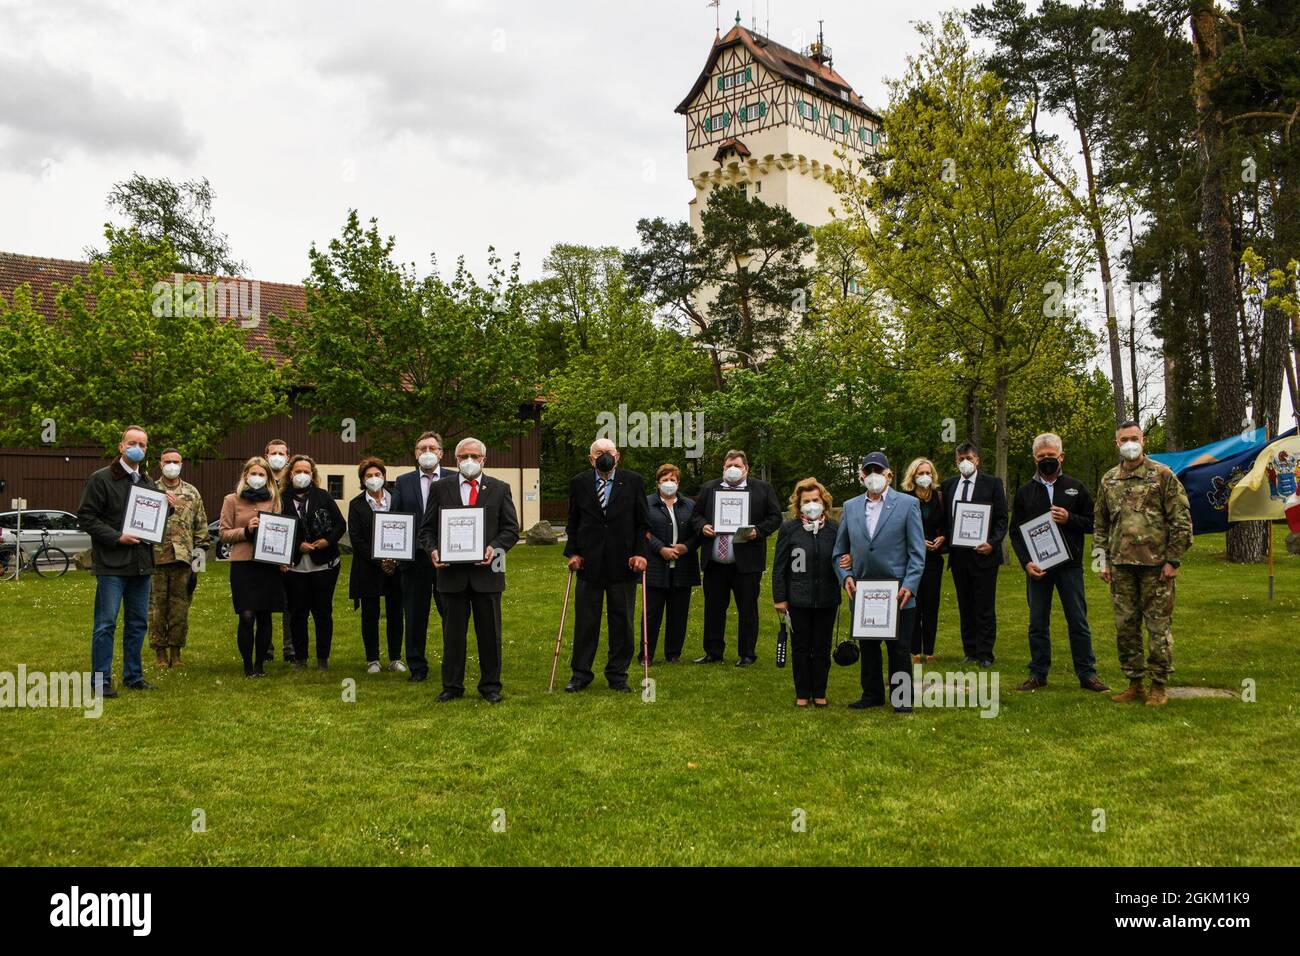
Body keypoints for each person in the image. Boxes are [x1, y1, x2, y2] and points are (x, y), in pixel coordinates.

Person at [1094, 420, 1193, 708]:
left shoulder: (1162, 476)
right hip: (1120, 566)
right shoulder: (1109, 480)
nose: (1129, 444)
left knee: (1158, 627)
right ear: (1117, 443)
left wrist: (1173, 559)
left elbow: (1181, 520)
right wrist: (1102, 561)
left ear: (1144, 440)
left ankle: (1159, 685)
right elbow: (1100, 523)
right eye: (1124, 439)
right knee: (1126, 627)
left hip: (1156, 567)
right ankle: (1135, 683)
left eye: (1134, 438)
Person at [420, 437, 519, 703]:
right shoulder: (441, 488)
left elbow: (511, 529)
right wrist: (432, 550)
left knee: (490, 634)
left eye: (474, 456)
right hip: (451, 575)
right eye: (464, 456)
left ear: (484, 459)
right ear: (455, 460)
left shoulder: (499, 488)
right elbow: (426, 530)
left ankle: (490, 686)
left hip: (488, 575)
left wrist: (494, 548)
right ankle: (452, 685)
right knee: (453, 636)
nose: (469, 461)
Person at [1010, 433, 1109, 693]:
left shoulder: (1076, 487)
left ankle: (1087, 674)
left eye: (1051, 455)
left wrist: (1070, 518)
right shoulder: (1024, 492)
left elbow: (1094, 523)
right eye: (1041, 456)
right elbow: (1015, 532)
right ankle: (1038, 673)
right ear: (1034, 459)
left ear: (1061, 456)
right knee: (1037, 622)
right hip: (1038, 569)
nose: (1047, 460)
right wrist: (1026, 563)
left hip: (1070, 567)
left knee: (1078, 620)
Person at [76, 425, 164, 697]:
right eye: (132, 442)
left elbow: (152, 524)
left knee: (138, 624)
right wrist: (117, 537)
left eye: (143, 444)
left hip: (141, 564)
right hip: (112, 564)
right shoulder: (101, 479)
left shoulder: (148, 483)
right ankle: (101, 681)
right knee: (106, 624)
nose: (138, 447)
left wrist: (165, 509)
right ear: (121, 446)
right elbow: (87, 517)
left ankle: (133, 676)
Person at [833, 453, 926, 712]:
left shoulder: (908, 505)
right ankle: (872, 693)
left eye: (879, 470)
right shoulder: (850, 507)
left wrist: (910, 584)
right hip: (862, 591)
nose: (873, 475)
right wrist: (846, 577)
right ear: (862, 475)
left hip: (898, 591)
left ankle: (902, 697)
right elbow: (839, 550)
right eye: (868, 470)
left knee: (900, 647)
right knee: (869, 647)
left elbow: (917, 552)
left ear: (889, 475)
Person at [563, 439, 649, 693]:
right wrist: (573, 553)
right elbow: (573, 521)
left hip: (623, 564)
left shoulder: (633, 481)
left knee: (622, 621)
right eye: (598, 453)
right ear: (591, 458)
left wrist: (640, 554)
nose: (604, 457)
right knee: (586, 622)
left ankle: (617, 674)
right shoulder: (579, 483)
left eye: (608, 452)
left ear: (617, 456)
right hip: (588, 564)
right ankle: (580, 674)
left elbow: (642, 522)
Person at [689, 449, 782, 666]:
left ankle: (747, 653)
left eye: (737, 466)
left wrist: (757, 531)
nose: (732, 469)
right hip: (715, 562)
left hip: (746, 562)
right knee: (713, 608)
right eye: (728, 465)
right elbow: (696, 514)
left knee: (747, 609)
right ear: (723, 467)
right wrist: (703, 526)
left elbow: (775, 516)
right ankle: (713, 652)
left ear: (746, 468)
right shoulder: (710, 488)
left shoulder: (762, 489)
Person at [772, 477, 841, 707]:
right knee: (800, 647)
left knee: (821, 647)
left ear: (824, 502)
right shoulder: (789, 529)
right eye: (806, 501)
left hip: (827, 598)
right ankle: (802, 693)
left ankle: (819, 692)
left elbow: (842, 558)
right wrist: (780, 597)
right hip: (797, 599)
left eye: (815, 500)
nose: (811, 504)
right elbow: (779, 566)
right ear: (798, 504)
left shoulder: (835, 529)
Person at [940, 441, 1008, 668]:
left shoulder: (992, 484)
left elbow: (1001, 519)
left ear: (977, 459)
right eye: (960, 459)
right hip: (959, 557)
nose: (965, 462)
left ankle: (985, 653)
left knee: (984, 606)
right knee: (965, 605)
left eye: (969, 458)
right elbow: (946, 521)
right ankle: (969, 650)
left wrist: (992, 543)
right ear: (956, 462)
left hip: (985, 555)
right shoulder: (949, 486)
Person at [219, 457, 285, 677]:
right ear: (245, 475)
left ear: (268, 478)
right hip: (243, 564)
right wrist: (246, 531)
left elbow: (281, 532)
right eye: (253, 473)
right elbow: (223, 533)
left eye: (261, 474)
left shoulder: (274, 500)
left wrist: (282, 557)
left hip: (267, 564)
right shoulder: (231, 500)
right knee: (246, 615)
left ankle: (260, 665)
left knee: (265, 616)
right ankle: (247, 665)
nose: (257, 478)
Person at [392, 431, 447, 683]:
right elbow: (395, 519)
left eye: (431, 448)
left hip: (447, 558)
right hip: (413, 559)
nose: (427, 453)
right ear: (415, 454)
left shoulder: (454, 479)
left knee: (451, 613)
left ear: (441, 453)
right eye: (421, 448)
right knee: (414, 615)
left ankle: (452, 662)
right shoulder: (403, 481)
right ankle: (417, 667)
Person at [281, 455, 346, 670]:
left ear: (312, 474)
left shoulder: (323, 496)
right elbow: (278, 530)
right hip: (295, 566)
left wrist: (327, 541)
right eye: (297, 471)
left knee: (322, 612)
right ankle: (300, 658)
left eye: (306, 471)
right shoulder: (281, 499)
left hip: (324, 565)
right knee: (298, 613)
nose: (302, 475)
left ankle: (322, 659)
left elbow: (340, 524)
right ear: (290, 474)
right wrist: (296, 545)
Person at [149, 448, 210, 669]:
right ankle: (160, 654)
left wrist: (198, 567)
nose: (172, 465)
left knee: (180, 609)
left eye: (176, 461)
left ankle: (176, 652)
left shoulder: (192, 493)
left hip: (183, 562)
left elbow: (201, 530)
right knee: (156, 609)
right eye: (168, 461)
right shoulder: (150, 490)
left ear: (182, 464)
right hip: (155, 559)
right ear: (160, 463)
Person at [347, 457, 406, 674]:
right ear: (363, 480)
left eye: (378, 475)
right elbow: (356, 538)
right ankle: (372, 659)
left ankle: (395, 658)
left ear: (384, 476)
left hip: (396, 566)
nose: (374, 479)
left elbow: (405, 528)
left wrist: (394, 559)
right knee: (370, 613)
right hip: (368, 567)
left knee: (395, 612)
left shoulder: (397, 499)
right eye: (369, 476)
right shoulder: (356, 504)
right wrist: (379, 560)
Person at [643, 463, 700, 664]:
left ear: (678, 483)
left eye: (673, 480)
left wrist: (685, 547)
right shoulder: (646, 504)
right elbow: (643, 531)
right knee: (651, 614)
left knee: (679, 614)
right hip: (655, 567)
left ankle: (673, 653)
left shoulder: (689, 505)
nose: (669, 483)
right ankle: (646, 654)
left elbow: (698, 532)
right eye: (665, 479)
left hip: (683, 567)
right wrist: (661, 549)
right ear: (658, 483)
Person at [900, 458, 945, 665]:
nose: (924, 477)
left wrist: (942, 538)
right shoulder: (905, 499)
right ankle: (915, 650)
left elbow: (947, 525)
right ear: (913, 476)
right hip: (912, 560)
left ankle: (930, 649)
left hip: (934, 559)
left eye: (928, 472)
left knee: (931, 605)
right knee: (914, 605)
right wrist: (918, 542)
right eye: (920, 473)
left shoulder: (940, 497)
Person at [264, 438, 293, 662]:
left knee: (289, 603)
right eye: (273, 453)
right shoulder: (259, 481)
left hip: (288, 551)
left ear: (288, 457)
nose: (277, 457)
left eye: (281, 453)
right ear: (266, 456)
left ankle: (290, 648)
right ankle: (266, 647)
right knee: (263, 602)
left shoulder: (292, 484)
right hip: (263, 550)